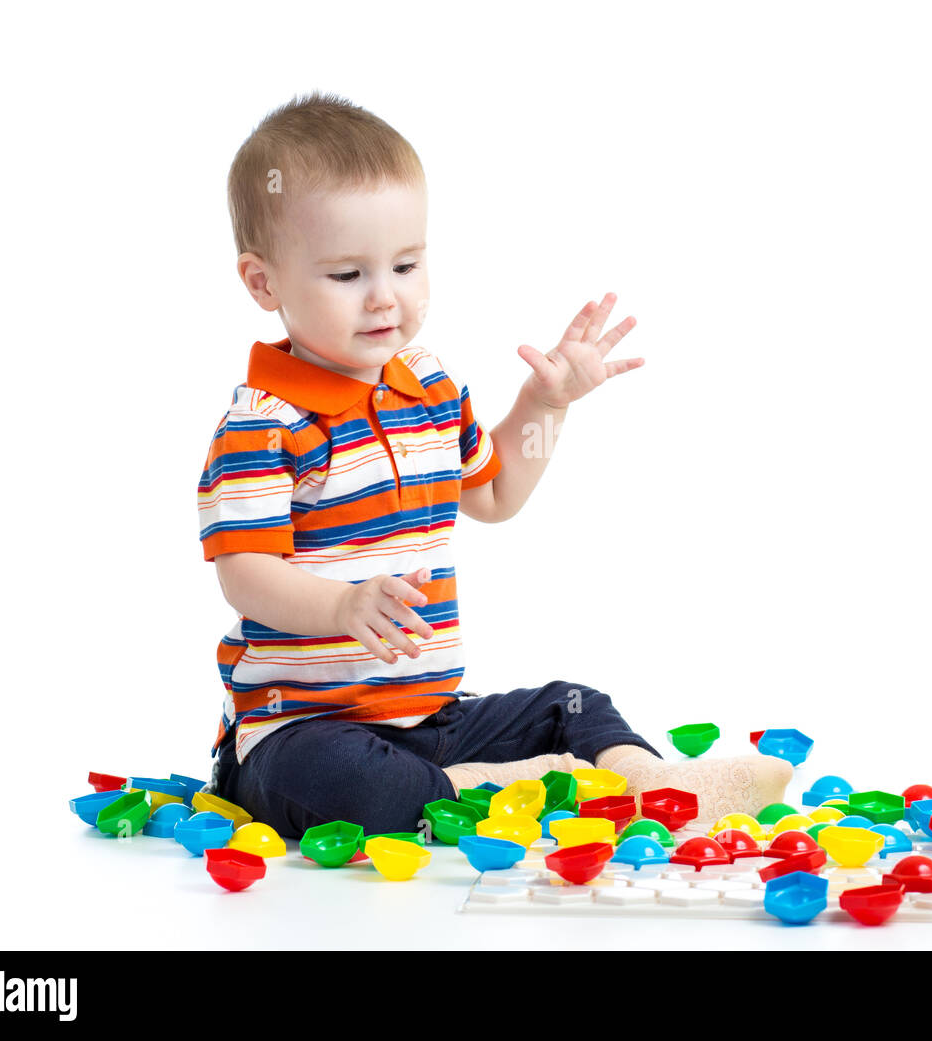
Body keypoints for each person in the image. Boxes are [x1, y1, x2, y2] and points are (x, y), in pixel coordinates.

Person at [196, 92, 792, 837]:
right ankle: (494, 790)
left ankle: (649, 782)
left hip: (432, 716)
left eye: (406, 264)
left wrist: (548, 404)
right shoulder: (264, 423)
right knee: (342, 785)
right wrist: (342, 606)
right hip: (301, 728)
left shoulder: (428, 388)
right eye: (347, 275)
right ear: (263, 283)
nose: (387, 298)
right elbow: (243, 572)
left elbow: (497, 492)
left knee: (571, 702)